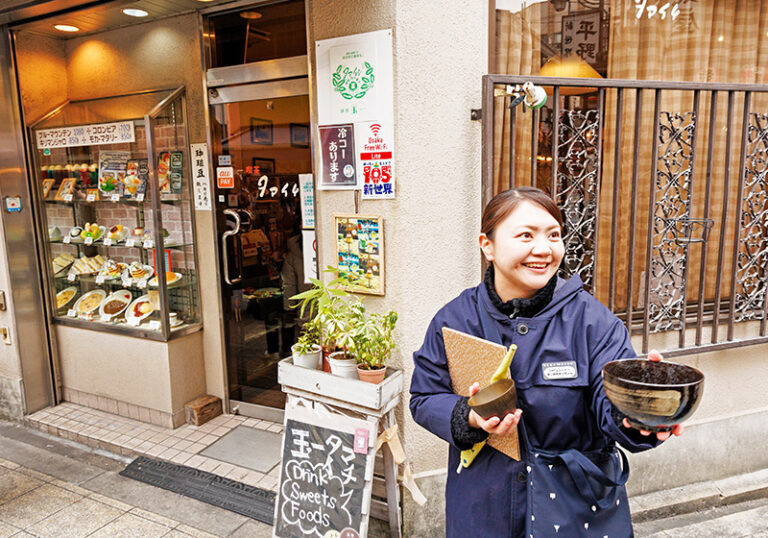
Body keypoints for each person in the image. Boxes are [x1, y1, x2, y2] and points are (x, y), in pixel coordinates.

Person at [409, 187, 683, 537]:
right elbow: (424, 398)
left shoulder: (593, 323)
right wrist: (469, 416)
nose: (543, 249)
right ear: (487, 245)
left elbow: (611, 405)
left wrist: (641, 409)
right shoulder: (456, 319)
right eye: (526, 235)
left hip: (576, 511)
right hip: (483, 508)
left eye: (553, 235)